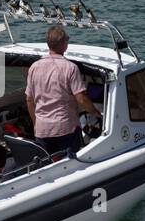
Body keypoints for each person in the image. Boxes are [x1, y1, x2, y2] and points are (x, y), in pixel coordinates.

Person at [26, 25, 100, 158]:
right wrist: (96, 113)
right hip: (65, 128)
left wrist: (36, 123)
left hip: (42, 130)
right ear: (63, 44)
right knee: (69, 165)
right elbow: (81, 98)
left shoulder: (34, 67)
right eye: (67, 40)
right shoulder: (70, 68)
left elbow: (29, 100)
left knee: (45, 167)